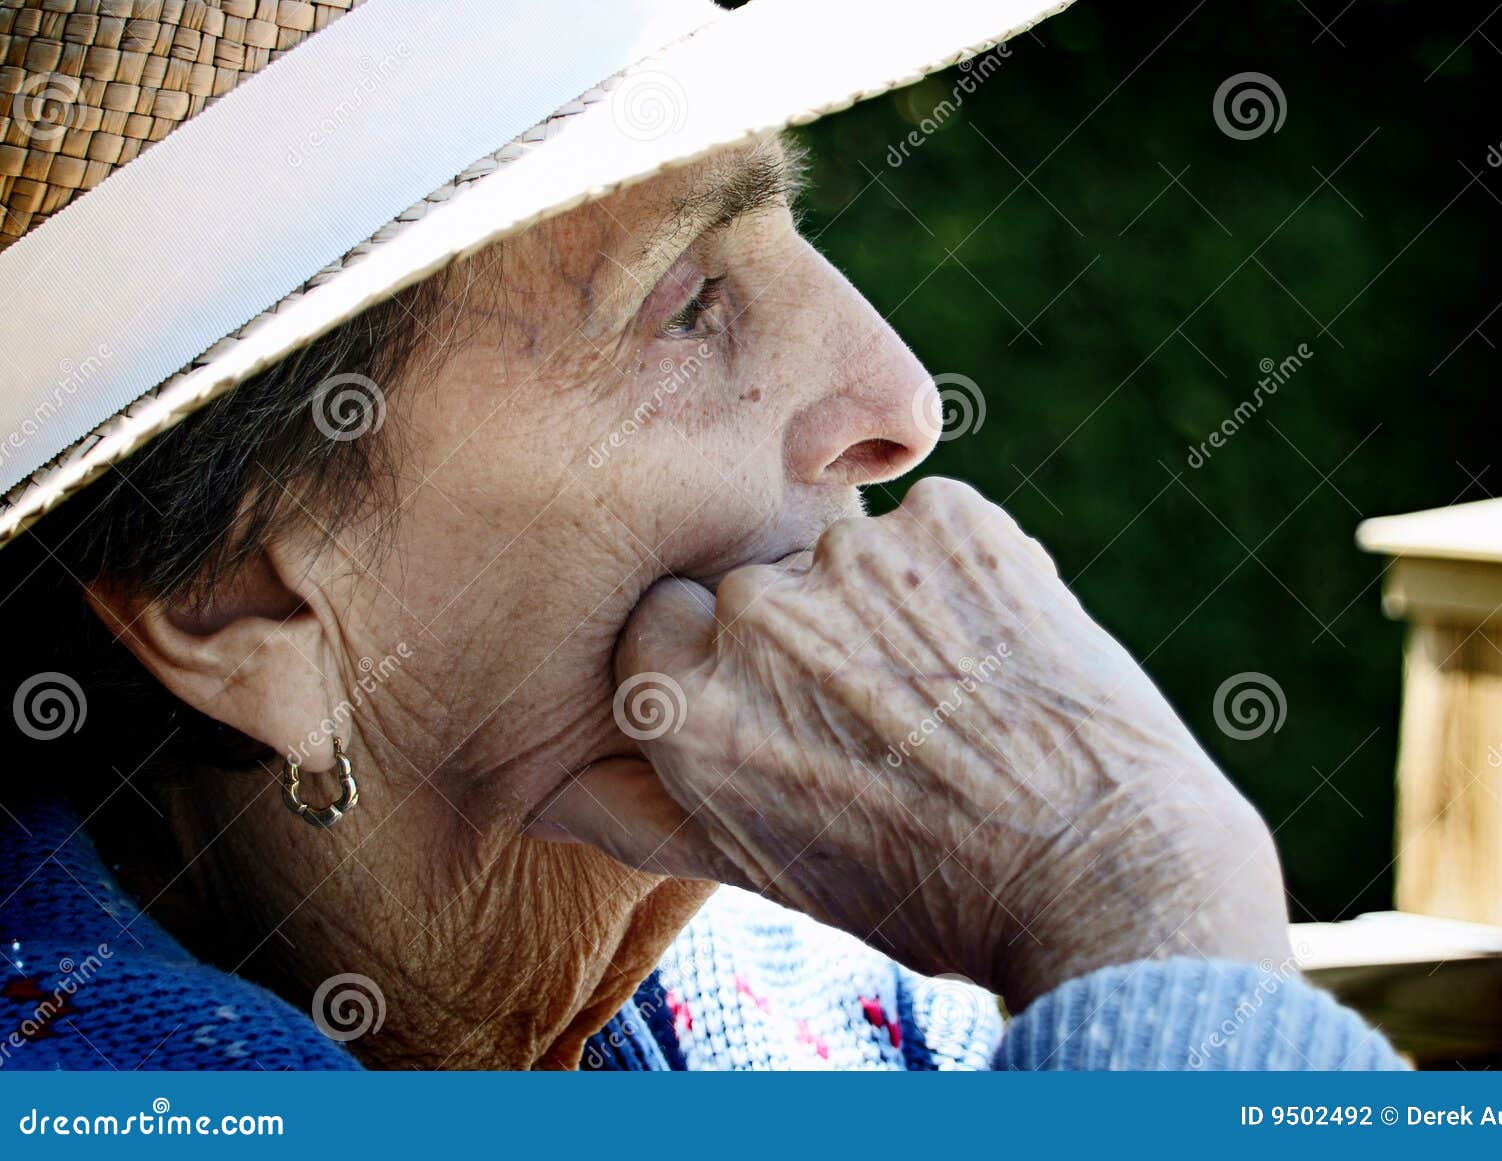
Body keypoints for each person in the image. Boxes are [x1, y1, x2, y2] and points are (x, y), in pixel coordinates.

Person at [0, 0, 1401, 1070]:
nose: (901, 396)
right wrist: (1130, 881)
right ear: (240, 599)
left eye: (791, 227)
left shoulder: (799, 1001)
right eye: (685, 305)